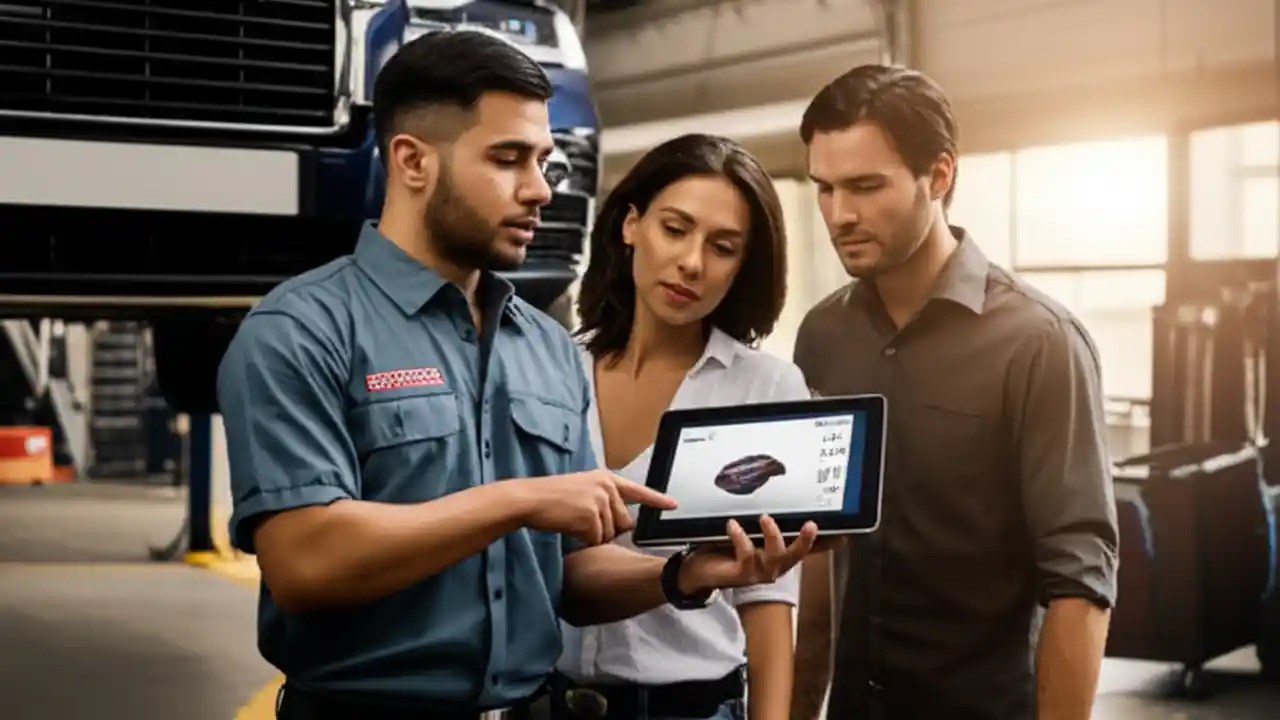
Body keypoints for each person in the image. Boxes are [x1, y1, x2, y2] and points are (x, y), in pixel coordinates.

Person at [215, 29, 819, 720]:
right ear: (413, 162)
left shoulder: (545, 348)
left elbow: (563, 575)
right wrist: (517, 499)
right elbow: (304, 564)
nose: (539, 190)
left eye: (544, 163)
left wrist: (682, 576)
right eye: (508, 160)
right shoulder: (302, 331)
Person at [787, 64, 1120, 720]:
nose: (839, 214)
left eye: (864, 186)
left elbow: (1079, 582)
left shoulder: (1040, 343)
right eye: (823, 188)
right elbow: (816, 552)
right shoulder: (823, 335)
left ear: (939, 176)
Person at [550, 134, 808, 720]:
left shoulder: (762, 386)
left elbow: (768, 597)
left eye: (722, 247)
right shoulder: (551, 367)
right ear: (630, 225)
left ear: (743, 267)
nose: (693, 262)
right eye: (675, 228)